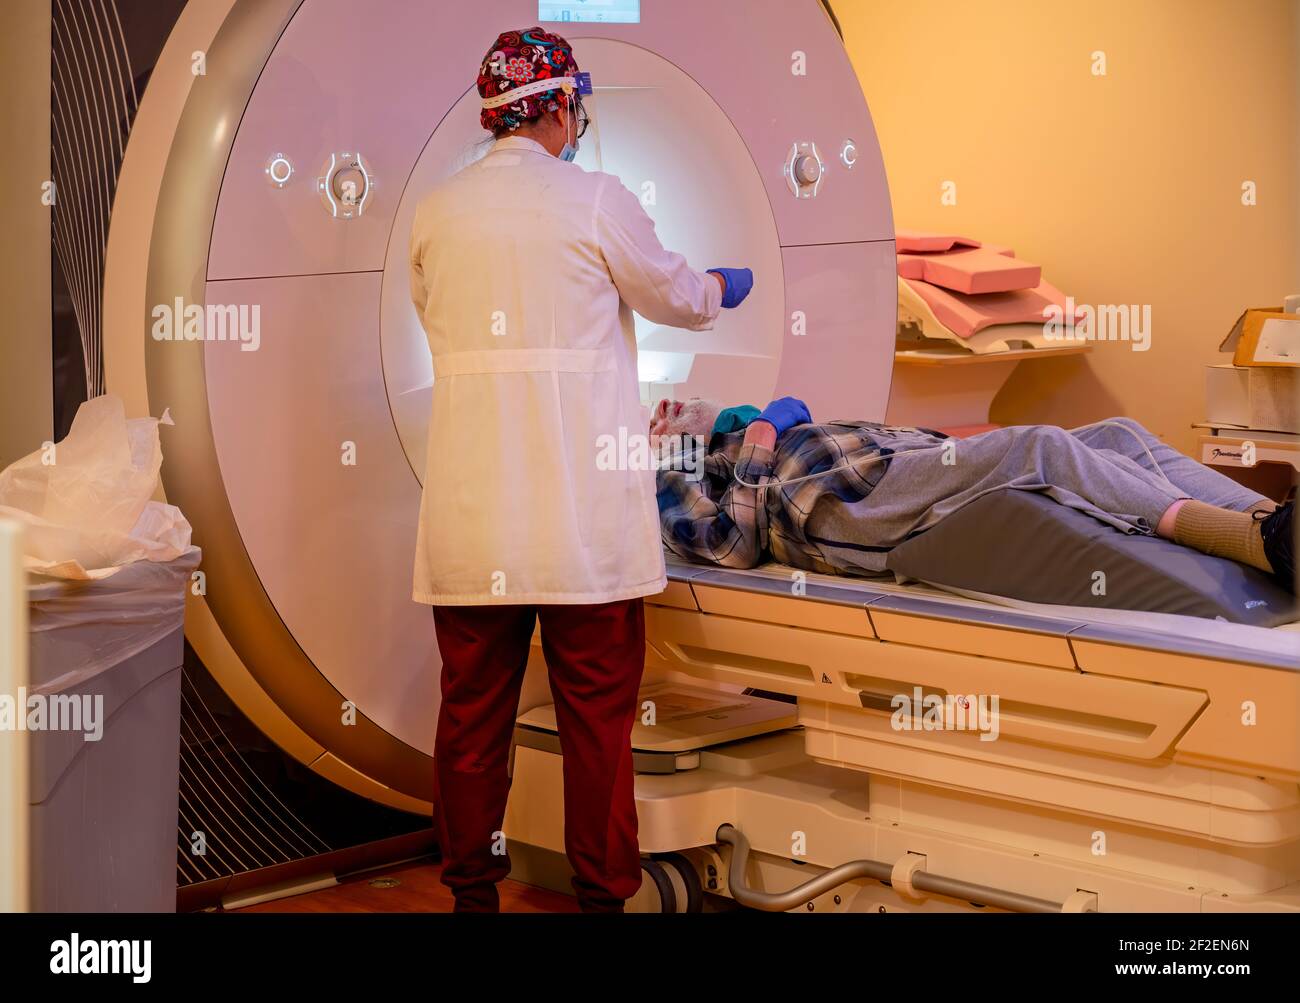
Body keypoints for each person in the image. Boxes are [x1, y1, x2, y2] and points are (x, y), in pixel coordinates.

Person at [407, 27, 753, 913]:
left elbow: (434, 311)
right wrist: (720, 284)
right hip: (578, 530)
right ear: (560, 105)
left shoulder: (437, 212)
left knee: (471, 723)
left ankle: (472, 897)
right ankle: (603, 899)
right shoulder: (597, 198)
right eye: (576, 110)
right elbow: (675, 295)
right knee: (597, 723)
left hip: (472, 521)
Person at [651, 397, 1295, 590]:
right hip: (854, 511)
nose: (668, 403)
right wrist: (759, 436)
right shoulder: (665, 482)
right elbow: (732, 546)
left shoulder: (725, 439)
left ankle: (1271, 519)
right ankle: (1255, 544)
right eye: (655, 412)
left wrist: (735, 423)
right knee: (1040, 446)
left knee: (1117, 431)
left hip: (898, 460)